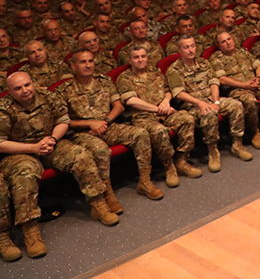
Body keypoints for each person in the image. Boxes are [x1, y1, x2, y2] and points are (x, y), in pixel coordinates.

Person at [0, 72, 121, 247]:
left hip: (51, 143)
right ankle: (31, 232)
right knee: (24, 175)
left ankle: (99, 204)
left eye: (27, 85)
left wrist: (53, 139)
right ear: (9, 91)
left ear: (32, 83)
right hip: (20, 152)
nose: (25, 90)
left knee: (80, 155)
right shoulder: (3, 109)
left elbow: (63, 120)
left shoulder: (49, 97)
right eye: (18, 88)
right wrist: (33, 148)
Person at [57, 49, 165, 202]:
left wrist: (106, 121)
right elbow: (63, 121)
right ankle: (107, 193)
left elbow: (119, 106)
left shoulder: (104, 81)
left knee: (141, 134)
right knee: (100, 150)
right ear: (73, 66)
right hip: (84, 133)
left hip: (108, 126)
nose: (88, 65)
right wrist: (90, 123)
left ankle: (145, 181)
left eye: (90, 61)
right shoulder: (64, 90)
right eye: (83, 62)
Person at [165, 35, 253, 172]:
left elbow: (214, 83)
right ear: (179, 50)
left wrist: (216, 101)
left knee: (236, 105)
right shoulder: (174, 70)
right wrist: (200, 103)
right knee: (209, 114)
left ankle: (237, 144)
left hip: (210, 99)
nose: (190, 50)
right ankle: (213, 151)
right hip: (192, 105)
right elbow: (178, 93)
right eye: (186, 47)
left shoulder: (203, 63)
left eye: (192, 46)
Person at [116, 45, 201, 183]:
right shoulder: (124, 78)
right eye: (136, 57)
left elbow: (168, 90)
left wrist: (166, 101)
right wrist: (157, 109)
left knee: (187, 119)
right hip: (143, 117)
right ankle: (169, 167)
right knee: (159, 131)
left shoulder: (155, 73)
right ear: (130, 60)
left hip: (165, 111)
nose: (140, 60)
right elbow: (131, 101)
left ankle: (182, 160)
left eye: (143, 56)